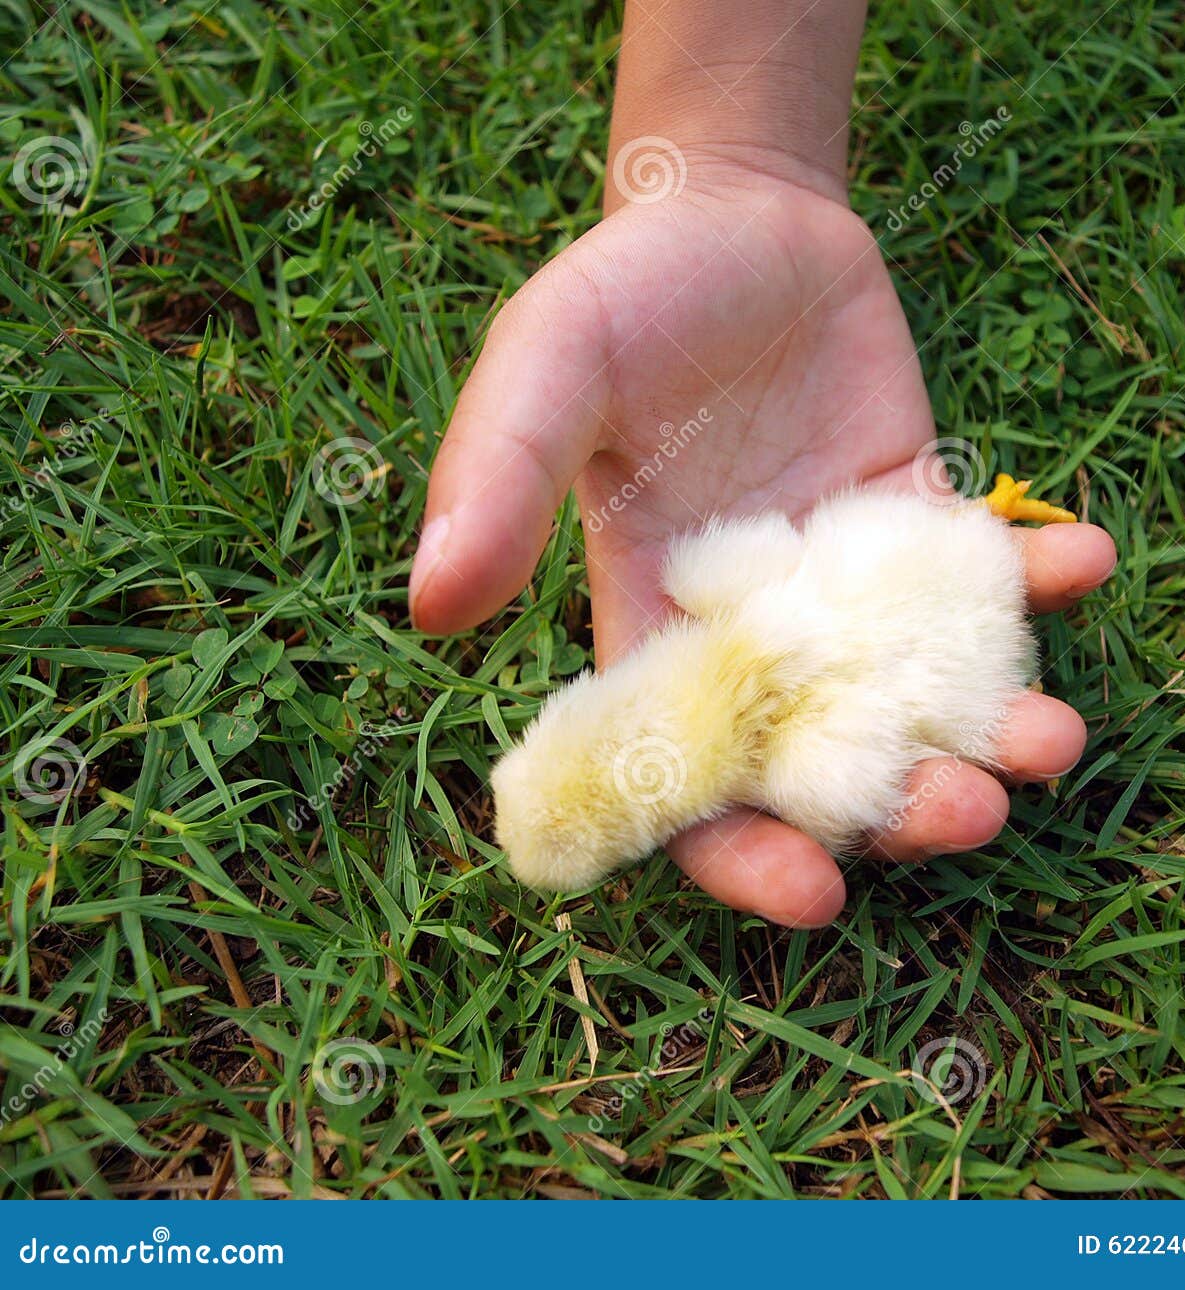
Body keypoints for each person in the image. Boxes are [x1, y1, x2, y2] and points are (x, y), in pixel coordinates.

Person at [407, 0, 1119, 927]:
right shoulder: (729, 603)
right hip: (883, 589)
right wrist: (730, 164)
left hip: (887, 596)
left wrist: (732, 172)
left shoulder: (807, 746)